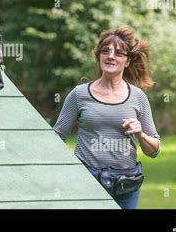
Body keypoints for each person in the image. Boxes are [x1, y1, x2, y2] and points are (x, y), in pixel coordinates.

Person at [53, 25, 161, 209]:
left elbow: (154, 150)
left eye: (119, 53)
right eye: (105, 51)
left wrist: (141, 134)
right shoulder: (79, 95)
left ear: (127, 62)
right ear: (99, 57)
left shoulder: (138, 97)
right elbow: (57, 137)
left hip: (126, 185)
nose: (111, 56)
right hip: (86, 182)